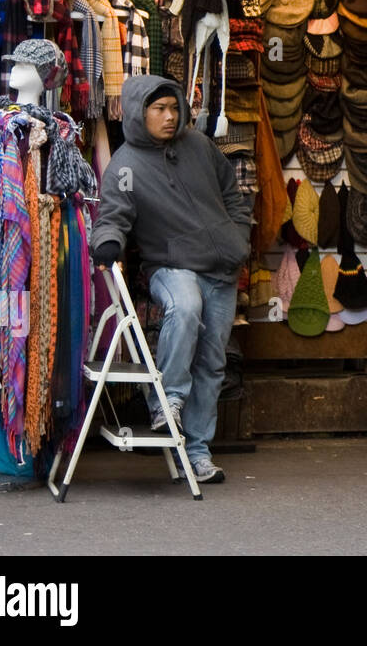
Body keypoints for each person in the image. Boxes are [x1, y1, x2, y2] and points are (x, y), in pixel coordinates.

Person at [89, 75, 252, 484]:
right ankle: (168, 399)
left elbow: (231, 188)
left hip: (221, 266)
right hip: (170, 264)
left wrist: (239, 234)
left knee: (213, 363)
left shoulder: (198, 145)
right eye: (158, 109)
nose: (169, 116)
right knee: (185, 306)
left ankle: (195, 453)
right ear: (137, 112)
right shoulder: (125, 166)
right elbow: (112, 216)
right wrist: (107, 242)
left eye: (173, 108)